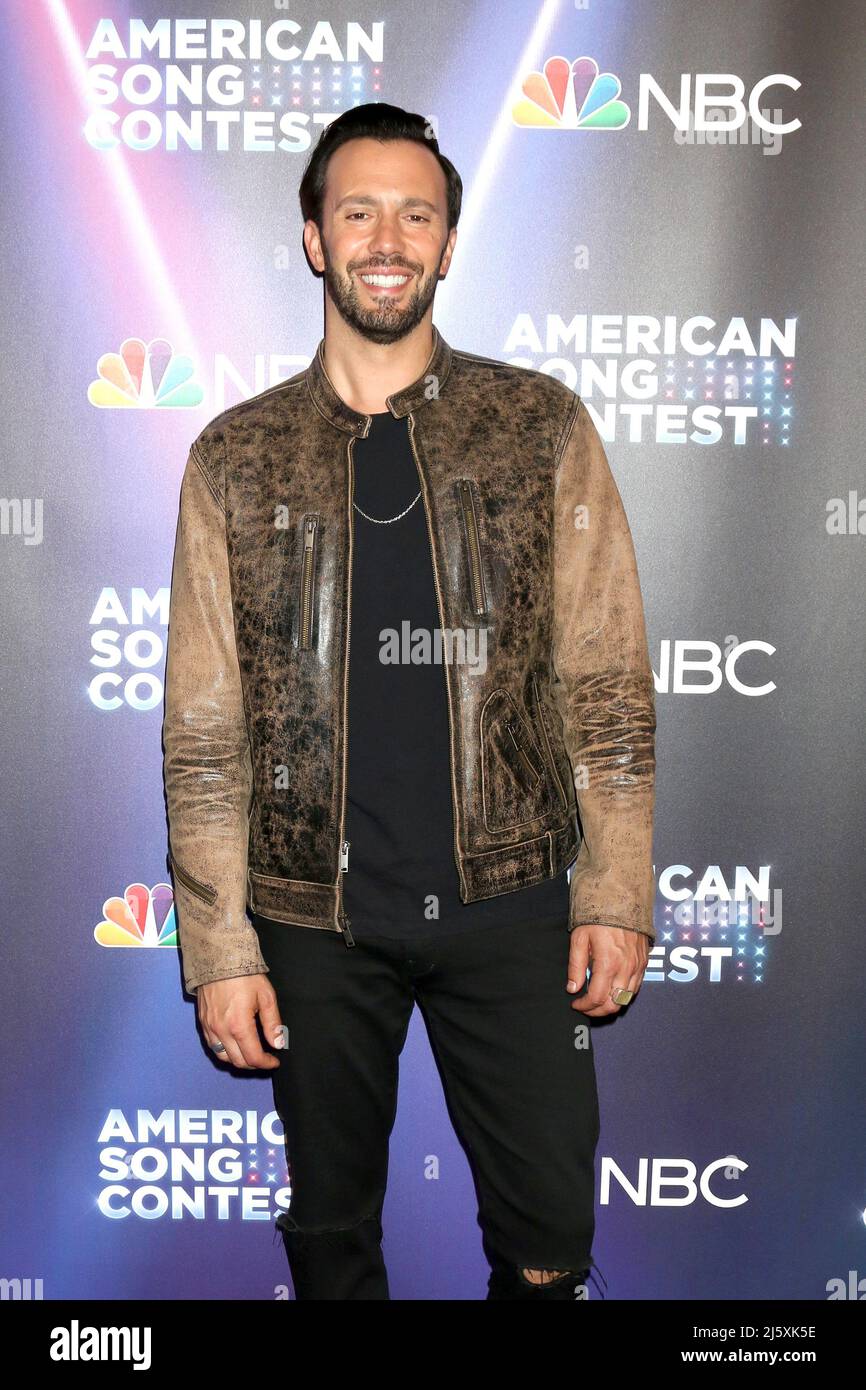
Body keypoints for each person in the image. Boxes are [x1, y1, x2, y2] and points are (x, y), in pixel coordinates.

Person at [162, 102, 657, 1300]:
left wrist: (616, 886)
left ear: (446, 242)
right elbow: (204, 734)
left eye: (415, 213)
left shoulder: (536, 424)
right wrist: (218, 941)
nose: (387, 236)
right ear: (315, 239)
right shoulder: (236, 454)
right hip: (310, 916)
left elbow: (603, 680)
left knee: (547, 1246)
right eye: (359, 210)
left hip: (516, 902)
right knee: (331, 1243)